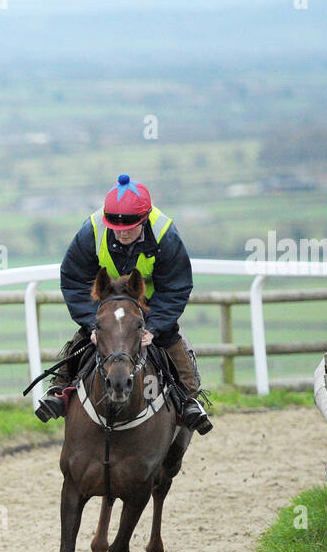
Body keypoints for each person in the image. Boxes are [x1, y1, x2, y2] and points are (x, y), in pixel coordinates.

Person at [36, 174, 212, 434]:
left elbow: (177, 286)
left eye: (131, 225)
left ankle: (190, 399)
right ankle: (59, 390)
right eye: (116, 225)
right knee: (86, 337)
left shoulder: (165, 234)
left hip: (150, 303)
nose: (123, 231)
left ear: (145, 218)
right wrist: (91, 323)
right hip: (107, 303)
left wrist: (154, 327)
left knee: (170, 338)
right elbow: (73, 279)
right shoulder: (91, 231)